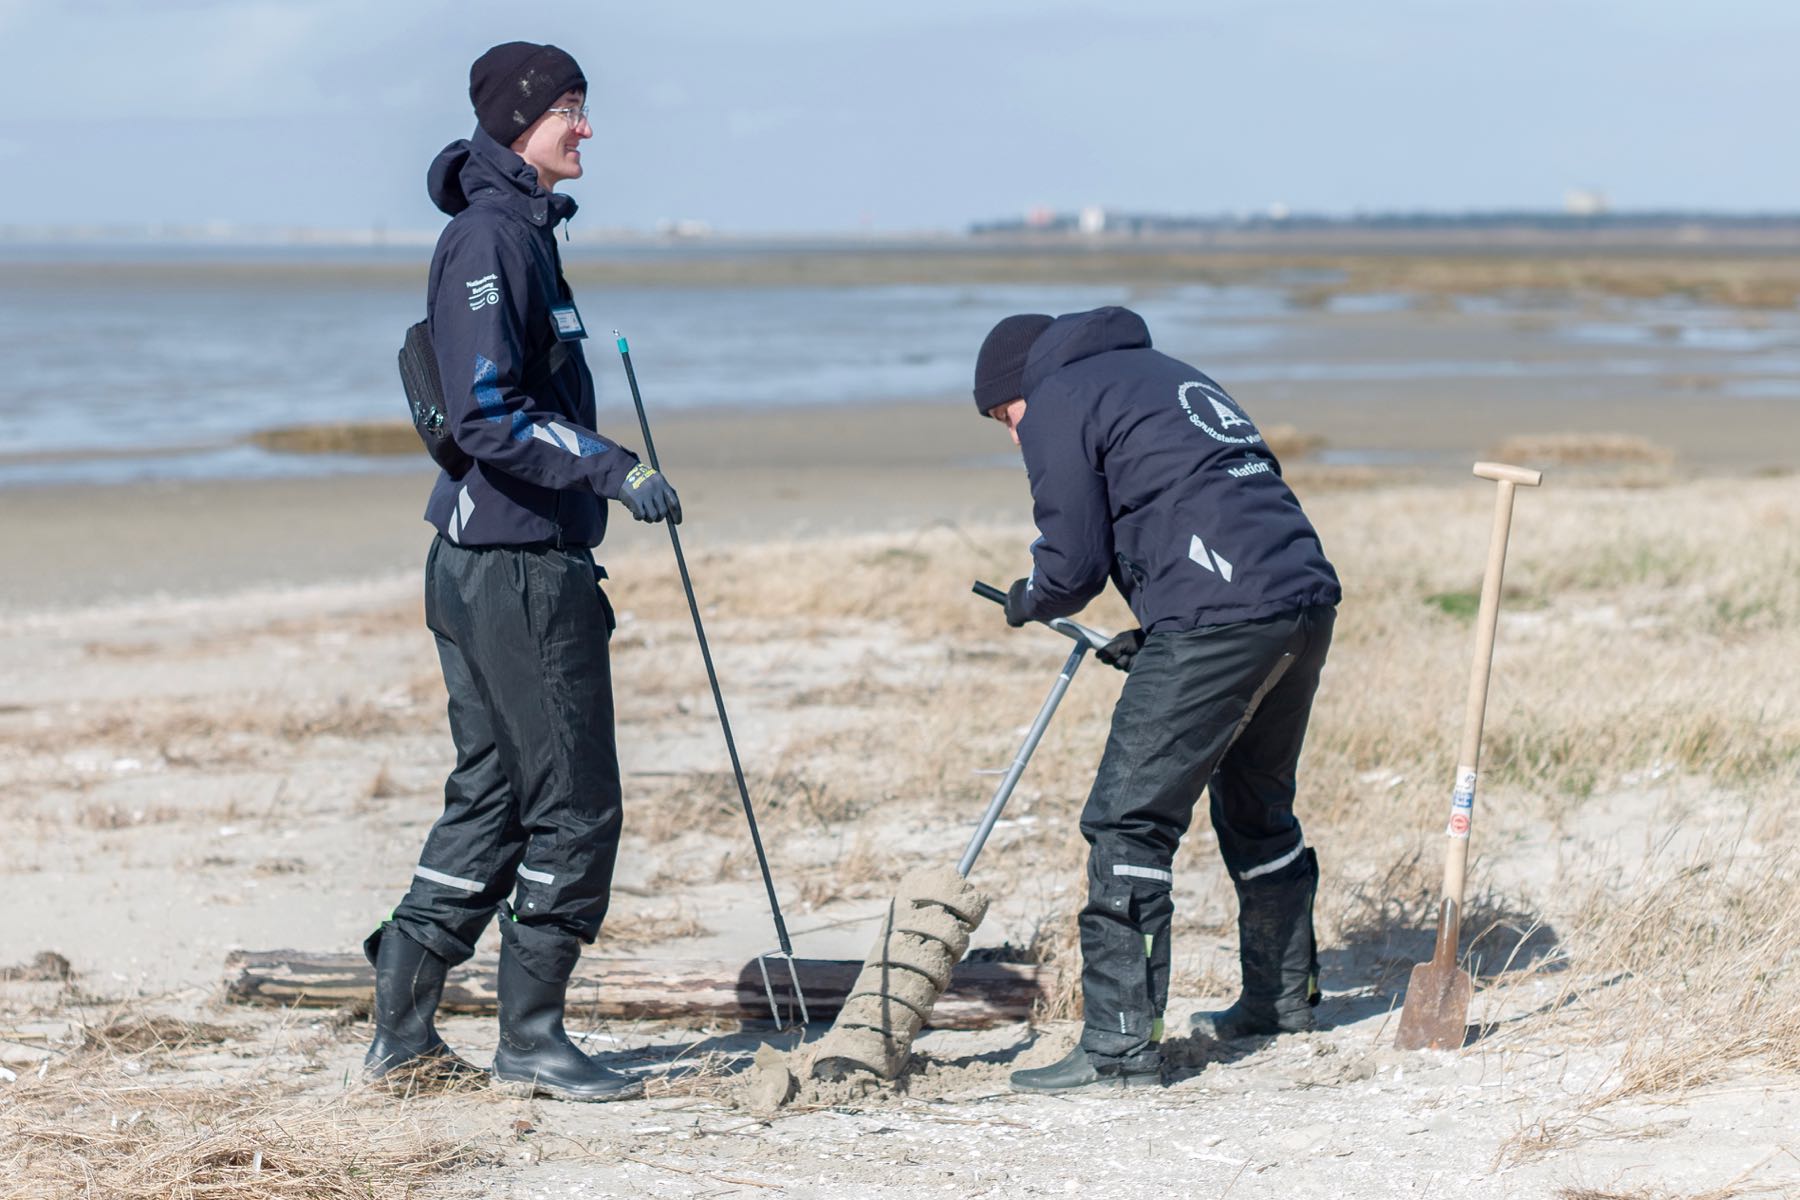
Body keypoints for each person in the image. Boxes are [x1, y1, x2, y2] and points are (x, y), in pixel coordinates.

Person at [362, 41, 680, 1103]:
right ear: (517, 124)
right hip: (512, 568)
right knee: (576, 804)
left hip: (485, 559)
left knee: (495, 796)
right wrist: (614, 466)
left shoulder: (519, 230)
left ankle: (401, 1029)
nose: (586, 129)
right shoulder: (493, 237)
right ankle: (532, 1036)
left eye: (584, 109)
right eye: (570, 113)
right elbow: (490, 415)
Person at [972, 307, 1341, 1093]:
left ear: (1019, 389)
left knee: (1127, 824)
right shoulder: (1165, 372)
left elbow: (1071, 561)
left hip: (1223, 619)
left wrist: (1029, 596)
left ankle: (1116, 1048)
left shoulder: (1061, 396)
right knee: (1258, 811)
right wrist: (1159, 626)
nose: (1012, 435)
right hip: (1301, 604)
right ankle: (1282, 1004)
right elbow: (1194, 502)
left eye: (1005, 417)